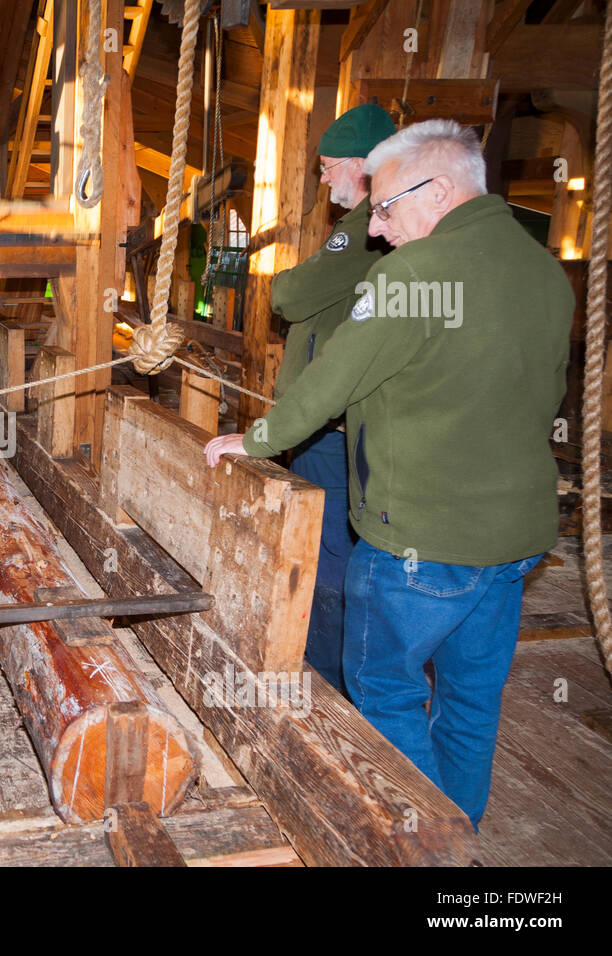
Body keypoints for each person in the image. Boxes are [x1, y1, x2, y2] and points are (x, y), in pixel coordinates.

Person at [203, 119, 572, 829]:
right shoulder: (542, 270)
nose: (374, 228)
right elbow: (542, 393)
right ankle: (460, 831)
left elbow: (334, 376)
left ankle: (426, 844)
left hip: (421, 539)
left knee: (384, 695)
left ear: (436, 192)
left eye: (385, 207)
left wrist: (258, 440)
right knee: (469, 700)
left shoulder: (416, 272)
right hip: (515, 539)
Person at [267, 103, 394, 694]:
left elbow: (292, 296)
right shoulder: (374, 223)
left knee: (327, 563)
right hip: (333, 427)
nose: (321, 179)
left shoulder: (369, 224)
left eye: (326, 167)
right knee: (329, 555)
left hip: (331, 433)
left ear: (360, 166)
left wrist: (280, 284)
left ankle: (325, 687)